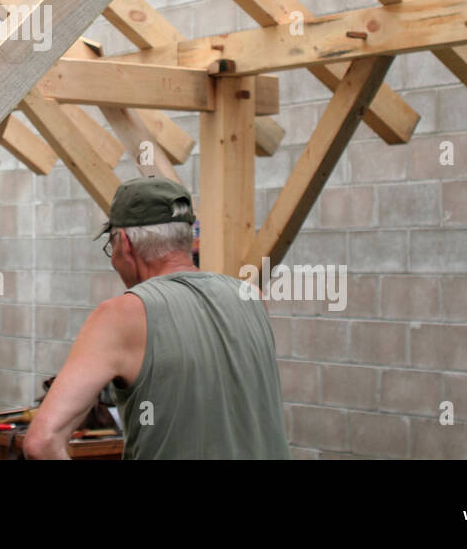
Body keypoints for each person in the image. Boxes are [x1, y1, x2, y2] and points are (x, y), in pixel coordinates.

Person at [24, 177, 289, 460]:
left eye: (110, 246)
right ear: (187, 239)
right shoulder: (252, 297)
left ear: (124, 243)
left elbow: (42, 442)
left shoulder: (121, 316)